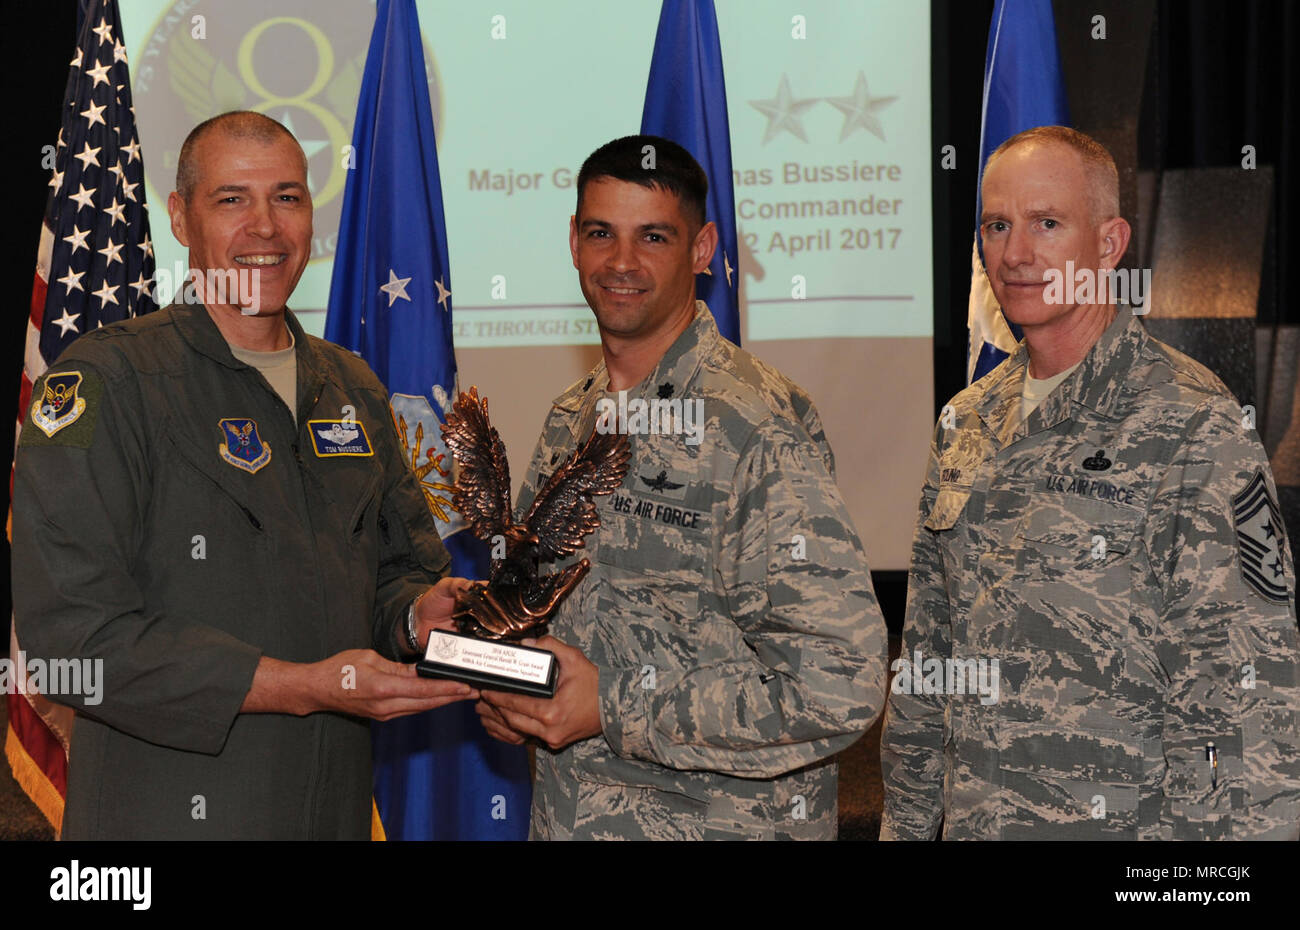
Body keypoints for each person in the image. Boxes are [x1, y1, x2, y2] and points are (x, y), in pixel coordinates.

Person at [12, 111, 477, 840]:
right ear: (179, 216)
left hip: (331, 815)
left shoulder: (351, 385)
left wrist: (422, 618)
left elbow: (395, 575)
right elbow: (74, 639)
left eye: (287, 198)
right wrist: (295, 687)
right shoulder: (106, 382)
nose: (265, 227)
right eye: (233, 199)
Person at [880, 125, 1300, 840]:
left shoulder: (1194, 425)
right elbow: (927, 666)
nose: (1016, 254)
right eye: (997, 225)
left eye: (1047, 224)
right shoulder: (965, 423)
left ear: (1108, 245)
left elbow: (1244, 705)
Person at [474, 135, 887, 840]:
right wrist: (517, 683)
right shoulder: (572, 418)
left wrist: (611, 706)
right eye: (601, 232)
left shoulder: (755, 425)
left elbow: (838, 680)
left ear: (702, 249)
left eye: (654, 237)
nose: (622, 263)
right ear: (573, 242)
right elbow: (547, 613)